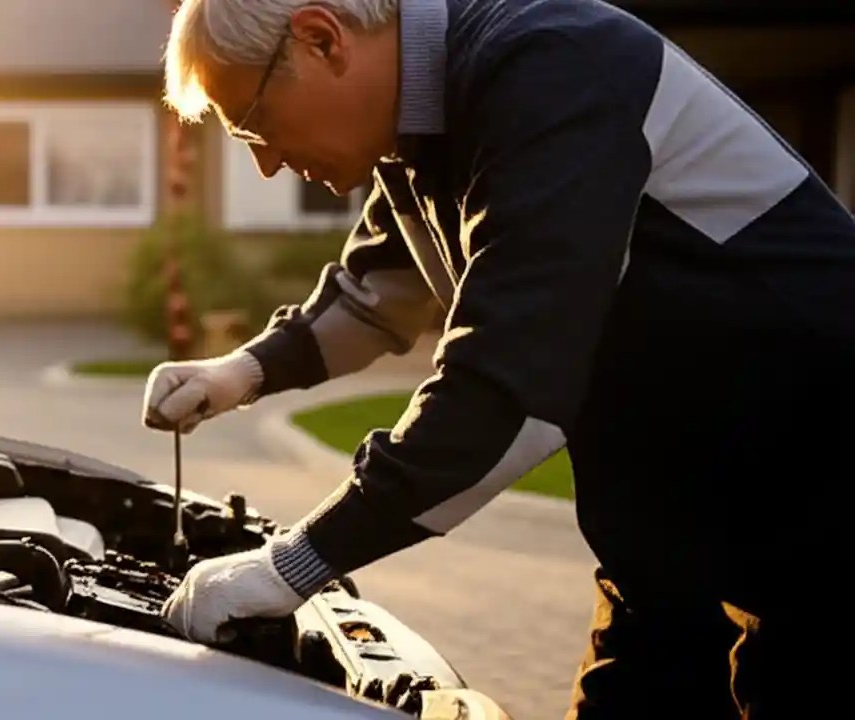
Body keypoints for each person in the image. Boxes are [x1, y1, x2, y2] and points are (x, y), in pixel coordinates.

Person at [141, 0, 853, 717]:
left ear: (322, 39)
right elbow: (379, 292)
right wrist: (235, 374)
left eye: (255, 124)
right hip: (670, 526)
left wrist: (290, 567)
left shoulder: (552, 67)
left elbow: (508, 389)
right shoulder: (418, 127)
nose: (266, 164)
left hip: (818, 504)